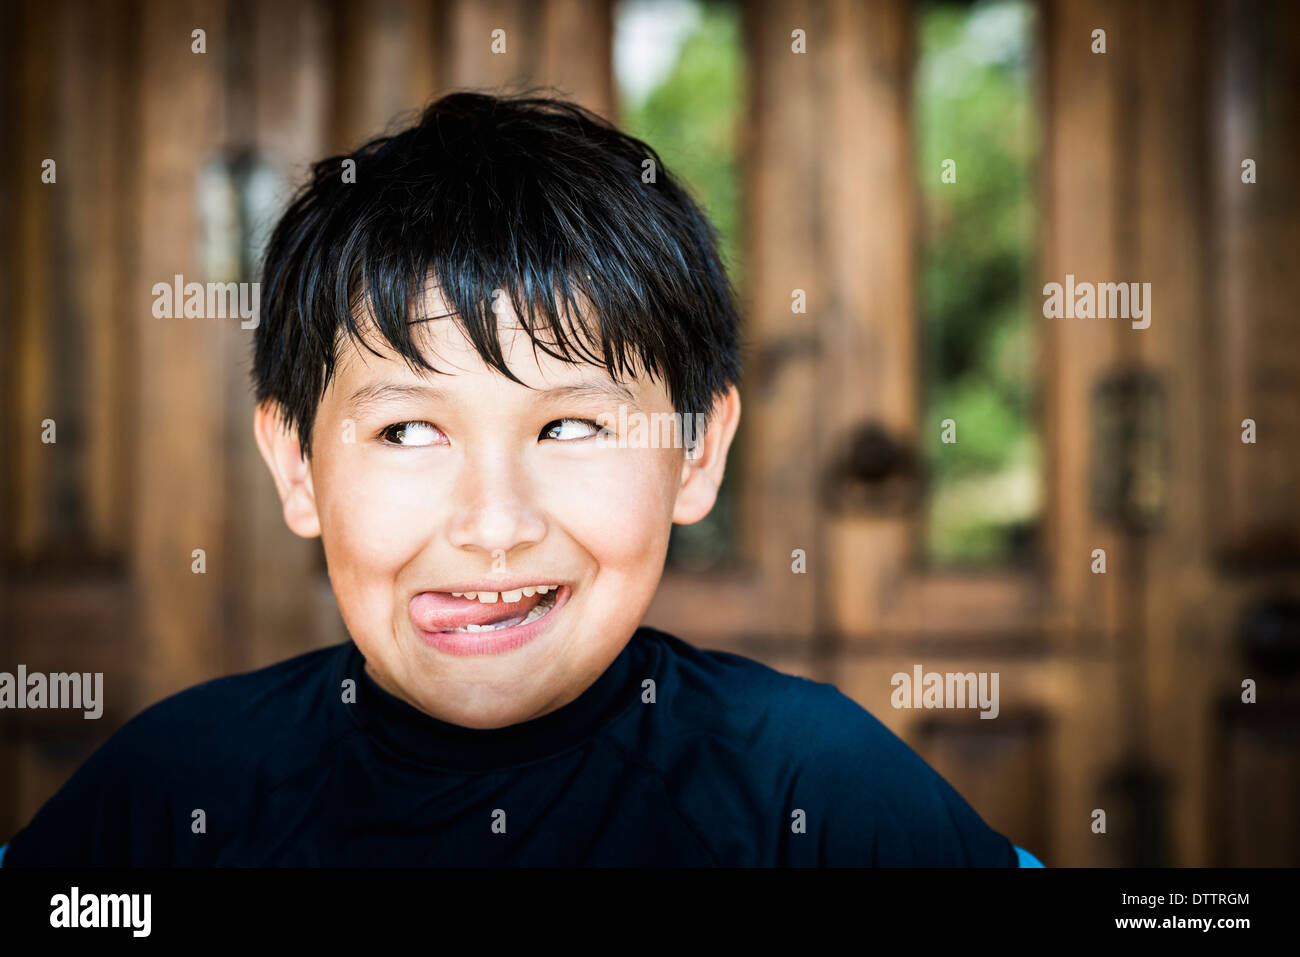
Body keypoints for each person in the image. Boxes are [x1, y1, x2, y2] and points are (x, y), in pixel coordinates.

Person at [3, 91, 1031, 866]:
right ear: (296, 466)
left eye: (572, 425)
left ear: (696, 452)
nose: (493, 524)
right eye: (407, 432)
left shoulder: (816, 788)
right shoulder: (178, 790)